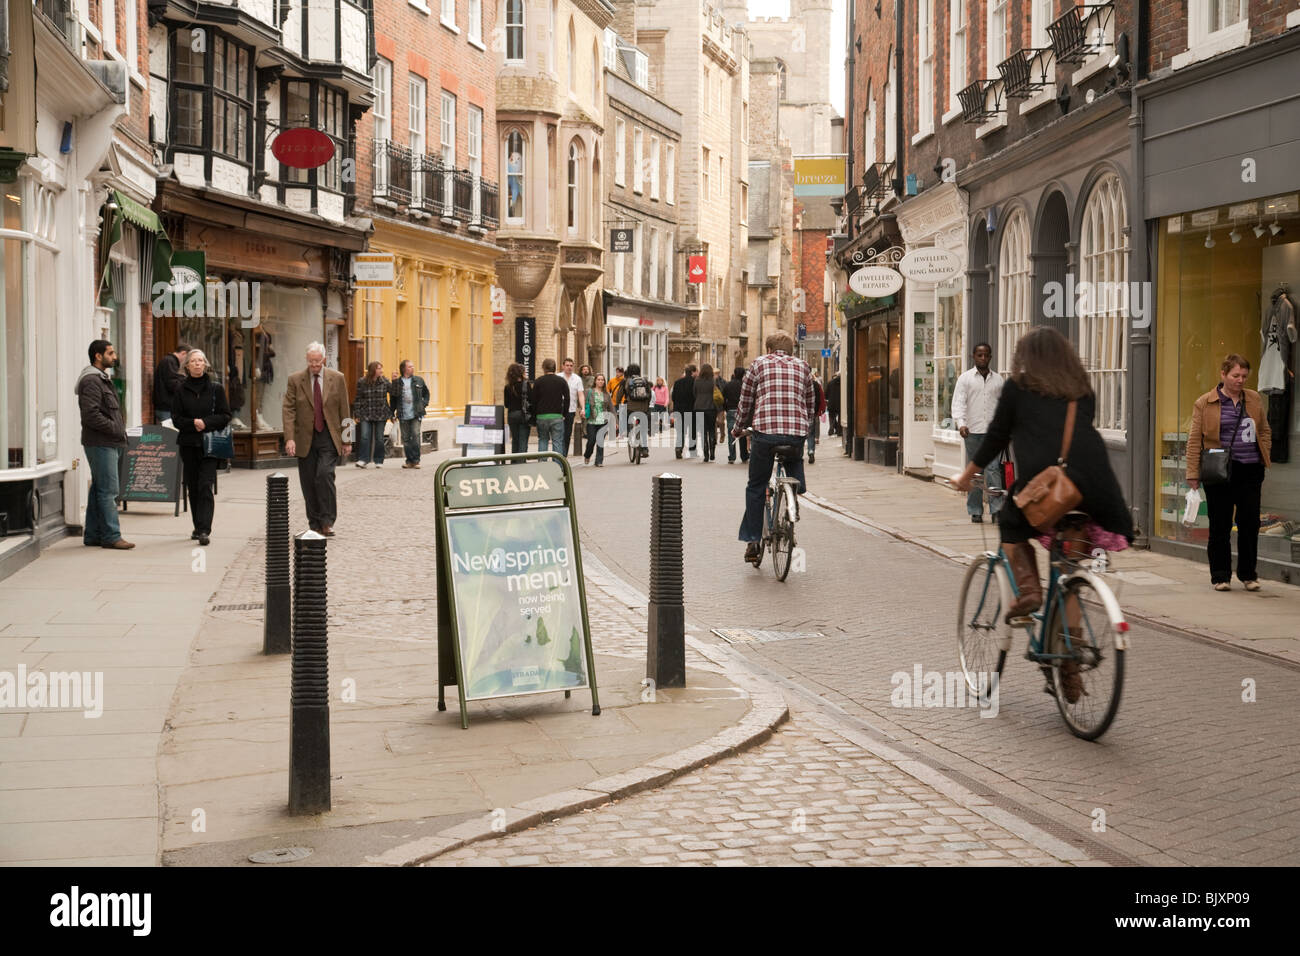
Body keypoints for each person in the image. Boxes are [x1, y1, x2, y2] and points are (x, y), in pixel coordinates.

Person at [953, 326, 1134, 619]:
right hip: (1095, 485)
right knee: (1068, 568)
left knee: (1010, 522)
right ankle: (1071, 654)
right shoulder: (1081, 387)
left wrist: (966, 476)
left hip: (1049, 480)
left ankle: (1029, 591)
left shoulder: (1018, 388)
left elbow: (997, 437)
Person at [1186, 353, 1272, 592]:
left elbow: (1264, 430)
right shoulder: (1205, 402)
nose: (1240, 380)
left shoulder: (1253, 399)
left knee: (1249, 522)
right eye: (1235, 375)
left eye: (1244, 376)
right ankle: (1221, 576)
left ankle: (1248, 574)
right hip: (1219, 469)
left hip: (1250, 469)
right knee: (1220, 524)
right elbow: (1195, 441)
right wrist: (1193, 473)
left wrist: (1264, 454)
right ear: (1223, 374)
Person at [733, 333, 816, 564]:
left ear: (769, 348)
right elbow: (810, 405)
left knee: (756, 485)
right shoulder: (804, 367)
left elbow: (746, 401)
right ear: (790, 349)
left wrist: (739, 428)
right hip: (795, 435)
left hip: (765, 434)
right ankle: (795, 493)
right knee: (793, 460)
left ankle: (752, 540)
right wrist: (804, 429)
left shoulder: (758, 364)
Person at [283, 342, 352, 536]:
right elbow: (288, 410)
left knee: (324, 476)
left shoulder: (337, 378)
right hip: (305, 438)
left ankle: (327, 521)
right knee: (308, 481)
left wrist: (347, 440)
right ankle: (313, 523)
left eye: (317, 361)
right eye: (311, 361)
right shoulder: (295, 380)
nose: (314, 365)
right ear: (307, 360)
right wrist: (289, 438)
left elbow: (345, 409)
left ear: (324, 359)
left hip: (329, 436)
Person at [77, 340, 133, 550]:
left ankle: (92, 535)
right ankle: (111, 536)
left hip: (110, 441)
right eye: (111, 353)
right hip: (101, 442)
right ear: (98, 356)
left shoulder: (102, 379)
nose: (115, 356)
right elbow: (90, 414)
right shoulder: (92, 381)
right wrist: (114, 428)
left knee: (99, 488)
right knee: (109, 490)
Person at [171, 350, 230, 546]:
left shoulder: (216, 389)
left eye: (200, 361)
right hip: (188, 444)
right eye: (193, 361)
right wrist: (193, 424)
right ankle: (197, 526)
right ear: (187, 366)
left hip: (210, 445)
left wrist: (205, 423)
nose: (197, 364)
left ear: (205, 365)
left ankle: (205, 529)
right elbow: (176, 418)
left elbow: (225, 415)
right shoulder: (180, 389)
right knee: (193, 486)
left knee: (205, 486)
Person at [951, 342, 1005, 523]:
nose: (983, 358)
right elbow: (958, 403)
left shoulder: (998, 380)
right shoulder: (965, 379)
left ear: (990, 357)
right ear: (973, 356)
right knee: (976, 472)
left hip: (992, 433)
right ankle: (975, 510)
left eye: (986, 355)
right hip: (972, 432)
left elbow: (1003, 407)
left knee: (994, 470)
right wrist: (961, 424)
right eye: (979, 355)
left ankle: (996, 509)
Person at [388, 359, 430, 468]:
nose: (413, 368)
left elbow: (426, 394)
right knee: (406, 439)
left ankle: (416, 461)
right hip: (403, 414)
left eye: (413, 366)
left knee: (415, 436)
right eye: (410, 366)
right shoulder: (397, 382)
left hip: (416, 414)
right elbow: (393, 398)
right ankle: (409, 460)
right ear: (404, 369)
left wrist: (423, 404)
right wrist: (391, 413)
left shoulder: (419, 380)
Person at [352, 361, 391, 468]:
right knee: (364, 436)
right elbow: (358, 398)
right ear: (373, 370)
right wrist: (357, 414)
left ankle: (378, 460)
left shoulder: (385, 381)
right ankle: (363, 459)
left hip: (381, 413)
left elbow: (395, 392)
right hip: (366, 413)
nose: (381, 370)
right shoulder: (362, 382)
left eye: (381, 368)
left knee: (379, 438)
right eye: (379, 368)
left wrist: (395, 380)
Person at [532, 358, 569, 451]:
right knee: (557, 441)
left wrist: (534, 415)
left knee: (543, 440)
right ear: (555, 368)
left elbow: (533, 400)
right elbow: (567, 399)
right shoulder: (561, 381)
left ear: (544, 368)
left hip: (541, 416)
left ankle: (542, 464)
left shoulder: (538, 381)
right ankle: (557, 465)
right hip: (557, 416)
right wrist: (564, 413)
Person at [620, 362, 653, 459]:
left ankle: (628, 433)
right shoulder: (644, 380)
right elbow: (649, 394)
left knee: (625, 419)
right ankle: (645, 449)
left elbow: (619, 395)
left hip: (630, 407)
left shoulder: (626, 381)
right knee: (643, 428)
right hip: (643, 408)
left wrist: (617, 403)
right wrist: (646, 404)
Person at [152, 343, 189, 427]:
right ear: (183, 353)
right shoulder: (169, 361)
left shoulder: (170, 361)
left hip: (166, 407)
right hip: (166, 407)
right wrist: (185, 379)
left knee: (169, 435)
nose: (187, 362)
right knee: (169, 436)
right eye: (188, 358)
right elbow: (173, 384)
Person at [583, 373, 611, 466]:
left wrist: (616, 422)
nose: (600, 381)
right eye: (599, 379)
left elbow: (611, 408)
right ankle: (587, 455)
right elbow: (582, 402)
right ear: (595, 381)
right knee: (591, 441)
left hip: (603, 421)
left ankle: (599, 461)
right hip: (591, 421)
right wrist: (582, 410)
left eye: (602, 380)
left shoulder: (606, 394)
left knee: (600, 441)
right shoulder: (588, 391)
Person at [504, 363, 532, 453]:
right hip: (523, 415)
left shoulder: (508, 387)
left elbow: (506, 404)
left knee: (515, 440)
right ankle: (521, 462)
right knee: (523, 440)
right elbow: (531, 400)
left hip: (512, 415)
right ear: (521, 373)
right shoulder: (526, 385)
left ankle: (514, 461)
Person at [694, 364, 719, 462]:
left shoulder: (697, 381)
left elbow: (694, 393)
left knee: (703, 432)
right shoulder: (713, 381)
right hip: (711, 408)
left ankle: (706, 455)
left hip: (699, 408)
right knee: (712, 430)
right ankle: (712, 452)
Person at [671, 365, 697, 459]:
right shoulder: (694, 382)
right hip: (692, 410)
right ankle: (692, 449)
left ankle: (678, 448)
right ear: (692, 373)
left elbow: (673, 397)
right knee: (692, 431)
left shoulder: (677, 382)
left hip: (679, 410)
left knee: (680, 431)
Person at [560, 358, 585, 457]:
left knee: (567, 435)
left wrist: (582, 408)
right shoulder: (558, 377)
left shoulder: (577, 379)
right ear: (563, 366)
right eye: (567, 365)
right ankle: (558, 456)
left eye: (571, 365)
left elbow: (580, 395)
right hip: (558, 410)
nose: (569, 367)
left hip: (570, 410)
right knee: (558, 435)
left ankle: (563, 457)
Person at [722, 368, 748, 463]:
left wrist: (726, 408)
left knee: (731, 433)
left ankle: (732, 457)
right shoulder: (744, 385)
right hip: (742, 411)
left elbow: (723, 398)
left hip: (731, 410)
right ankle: (744, 455)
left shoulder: (728, 385)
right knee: (743, 433)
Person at [806, 371, 826, 464]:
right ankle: (810, 451)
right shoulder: (816, 385)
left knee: (801, 434)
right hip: (813, 411)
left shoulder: (801, 383)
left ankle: (799, 452)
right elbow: (821, 397)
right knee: (811, 434)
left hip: (802, 412)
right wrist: (821, 409)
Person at [826, 372, 842, 436]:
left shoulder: (830, 383)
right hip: (840, 403)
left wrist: (828, 398)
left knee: (831, 417)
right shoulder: (843, 383)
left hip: (831, 403)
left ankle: (831, 428)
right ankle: (839, 431)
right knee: (840, 417)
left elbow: (826, 394)